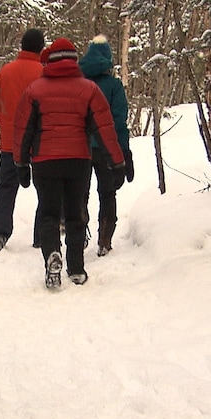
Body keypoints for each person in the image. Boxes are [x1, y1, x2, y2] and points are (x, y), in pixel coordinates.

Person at [13, 37, 126, 288]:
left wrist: (21, 163)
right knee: (75, 214)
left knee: (49, 213)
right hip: (78, 160)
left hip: (45, 161)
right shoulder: (89, 90)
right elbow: (105, 129)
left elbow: (22, 129)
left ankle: (52, 254)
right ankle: (76, 268)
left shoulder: (35, 90)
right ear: (75, 60)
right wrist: (116, 162)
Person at [0, 28, 45, 254]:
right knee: (45, 189)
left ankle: (0, 234)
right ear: (41, 48)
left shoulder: (6, 71)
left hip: (11, 141)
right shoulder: (44, 72)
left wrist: (8, 129)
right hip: (39, 142)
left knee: (6, 186)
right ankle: (42, 236)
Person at [79, 35, 134, 257]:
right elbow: (119, 121)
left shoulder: (78, 84)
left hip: (80, 147)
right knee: (107, 192)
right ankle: (104, 239)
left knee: (80, 193)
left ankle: (78, 234)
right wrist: (123, 151)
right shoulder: (113, 86)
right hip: (106, 147)